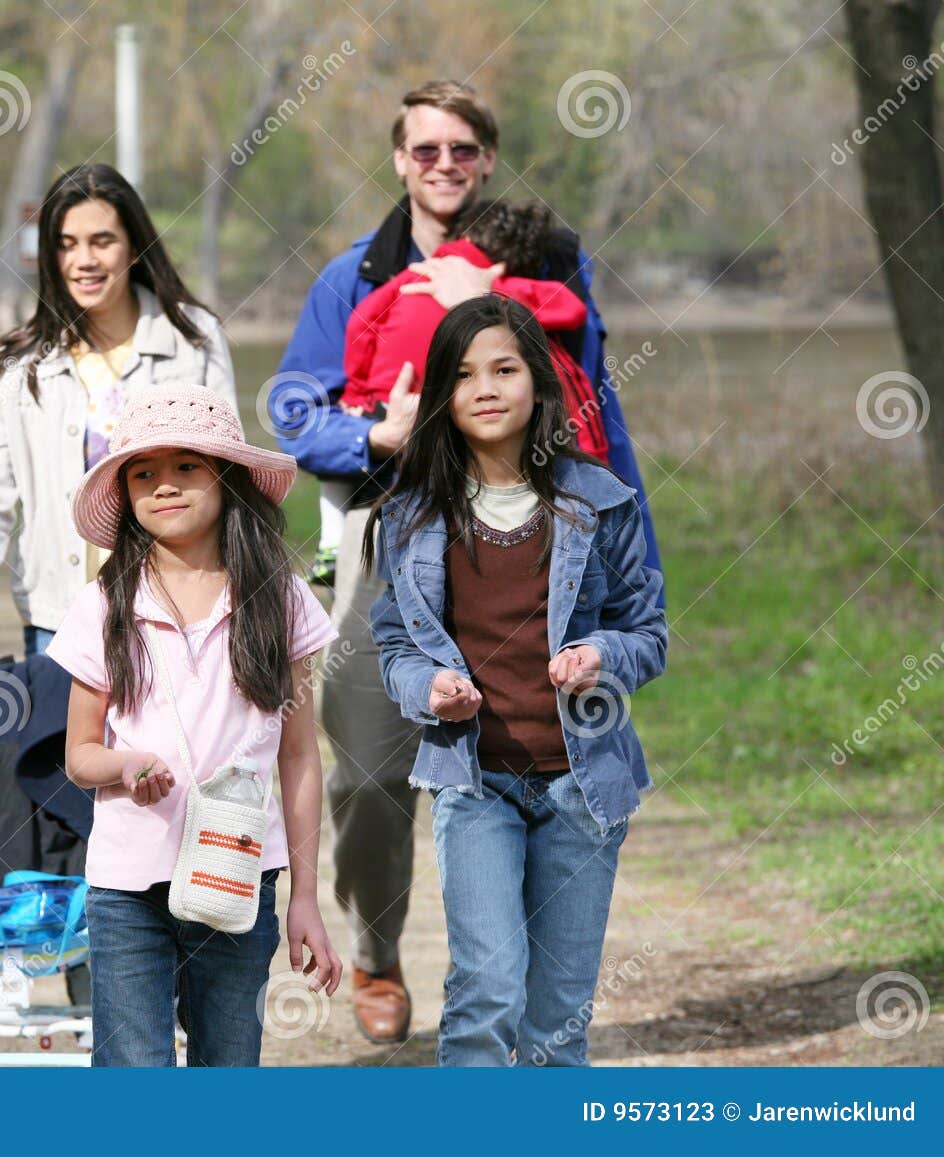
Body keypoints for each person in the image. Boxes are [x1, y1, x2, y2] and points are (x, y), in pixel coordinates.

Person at [271, 79, 662, 1044]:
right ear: (400, 161)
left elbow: (591, 405)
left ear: (485, 159)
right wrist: (376, 432)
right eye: (424, 149)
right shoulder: (355, 278)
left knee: (530, 753)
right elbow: (289, 413)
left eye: (462, 149)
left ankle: (522, 1002)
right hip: (391, 531)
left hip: (539, 527)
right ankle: (378, 944)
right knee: (368, 768)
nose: (443, 164)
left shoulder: (548, 264)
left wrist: (629, 547)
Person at [365, 294, 666, 1065]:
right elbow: (394, 640)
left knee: (558, 1018)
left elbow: (649, 631)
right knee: (489, 984)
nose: (486, 387)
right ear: (443, 394)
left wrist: (602, 654)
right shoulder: (408, 515)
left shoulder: (600, 500)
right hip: (475, 784)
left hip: (583, 786)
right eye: (464, 375)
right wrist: (426, 686)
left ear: (537, 379)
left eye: (504, 367)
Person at [46, 384, 342, 1066]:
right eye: (144, 473)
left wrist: (304, 898)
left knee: (228, 1062)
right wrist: (125, 765)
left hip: (239, 876)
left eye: (187, 466)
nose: (165, 486)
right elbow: (81, 753)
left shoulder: (282, 598)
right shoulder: (102, 605)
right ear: (125, 493)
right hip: (127, 885)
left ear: (227, 478)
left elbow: (298, 757)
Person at [0, 163, 235, 658]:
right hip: (59, 622)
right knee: (71, 740)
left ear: (134, 247)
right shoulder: (17, 363)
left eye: (102, 241)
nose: (84, 260)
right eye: (66, 244)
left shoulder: (193, 341)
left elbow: (229, 477)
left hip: (180, 616)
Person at [313, 199, 609, 578]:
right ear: (507, 263)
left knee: (348, 472)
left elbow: (360, 323)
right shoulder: (493, 287)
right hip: (441, 407)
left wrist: (356, 389)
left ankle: (332, 546)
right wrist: (493, 287)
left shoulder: (414, 275)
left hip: (384, 400)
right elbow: (571, 308)